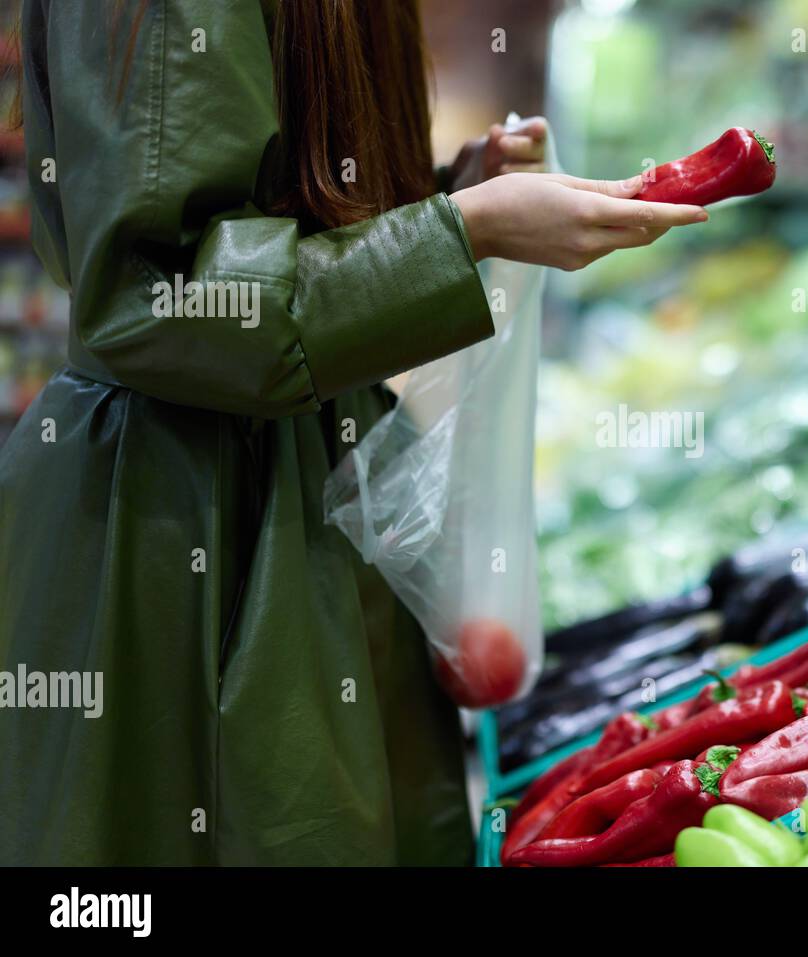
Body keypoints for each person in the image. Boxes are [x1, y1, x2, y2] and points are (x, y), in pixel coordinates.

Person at [0, 0, 705, 866]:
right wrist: (465, 229)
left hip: (302, 474)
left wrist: (454, 195)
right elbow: (164, 293)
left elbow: (272, 215)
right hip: (187, 515)